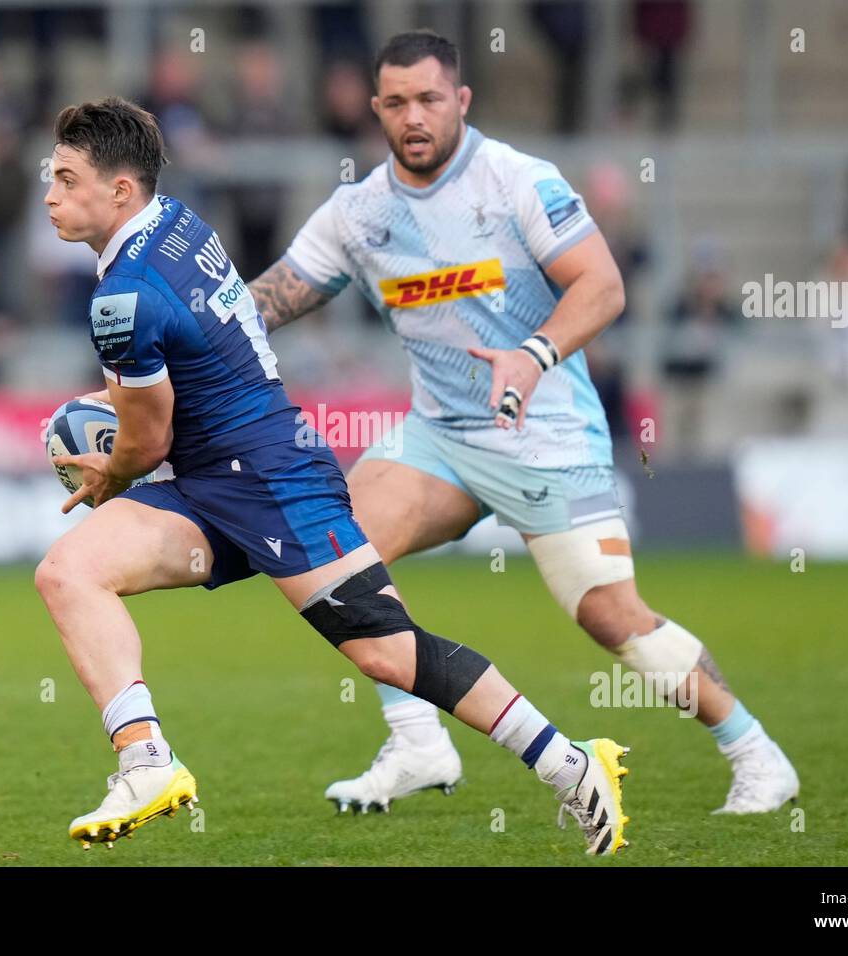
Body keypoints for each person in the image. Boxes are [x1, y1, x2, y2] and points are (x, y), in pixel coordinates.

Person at [35, 97, 632, 854]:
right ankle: (146, 760)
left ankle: (569, 762)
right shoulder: (176, 223)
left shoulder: (120, 297)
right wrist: (120, 405)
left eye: (64, 177)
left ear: (120, 190)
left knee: (387, 650)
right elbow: (188, 366)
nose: (49, 195)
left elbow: (145, 447)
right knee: (69, 572)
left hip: (272, 480)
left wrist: (107, 474)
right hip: (213, 480)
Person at [247, 30, 798, 816]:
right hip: (442, 437)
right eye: (397, 102)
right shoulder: (359, 213)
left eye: (430, 99)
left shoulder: (516, 182)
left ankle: (755, 750)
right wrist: (192, 331)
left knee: (611, 616)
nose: (414, 117)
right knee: (333, 546)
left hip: (545, 435)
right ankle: (417, 740)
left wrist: (532, 356)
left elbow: (603, 287)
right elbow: (268, 299)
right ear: (376, 109)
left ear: (461, 101)